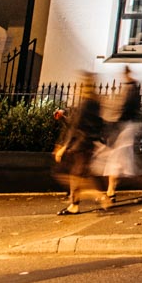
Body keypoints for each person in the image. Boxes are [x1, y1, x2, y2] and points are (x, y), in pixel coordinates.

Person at [51, 74, 102, 214]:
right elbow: (92, 123)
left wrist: (63, 147)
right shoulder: (95, 103)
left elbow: (75, 126)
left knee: (74, 175)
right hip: (89, 143)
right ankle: (76, 202)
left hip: (80, 143)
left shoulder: (85, 104)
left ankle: (90, 199)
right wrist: (64, 116)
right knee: (78, 174)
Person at [95, 68, 142, 206]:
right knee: (119, 162)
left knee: (116, 161)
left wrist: (114, 122)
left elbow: (123, 110)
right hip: (126, 129)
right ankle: (111, 191)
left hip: (123, 130)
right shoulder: (133, 89)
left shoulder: (130, 89)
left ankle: (111, 191)